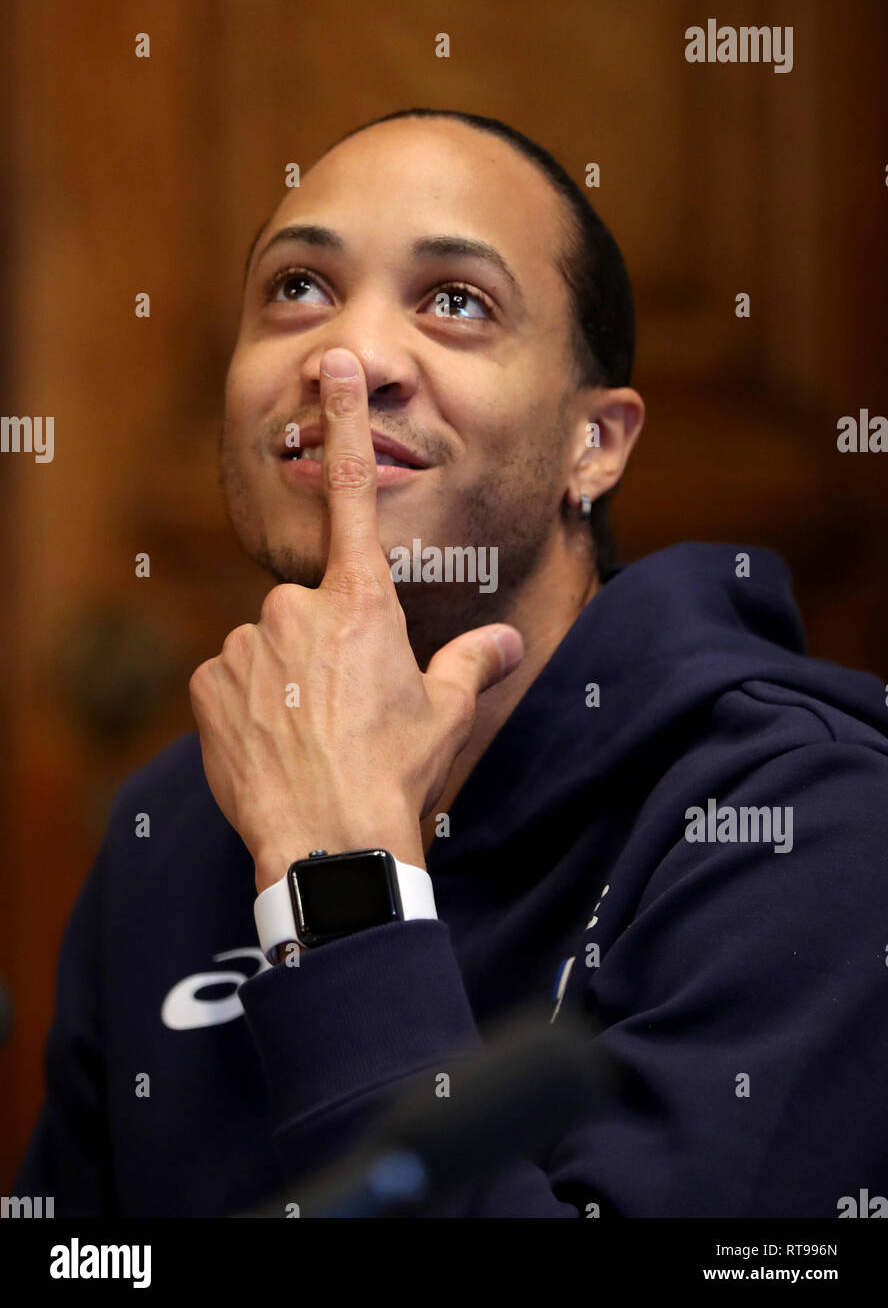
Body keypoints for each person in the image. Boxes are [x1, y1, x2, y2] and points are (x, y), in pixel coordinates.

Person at [14, 108, 888, 1217]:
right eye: (298, 288)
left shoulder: (808, 823)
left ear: (597, 443)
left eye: (457, 303)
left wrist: (334, 885)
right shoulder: (172, 826)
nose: (348, 357)